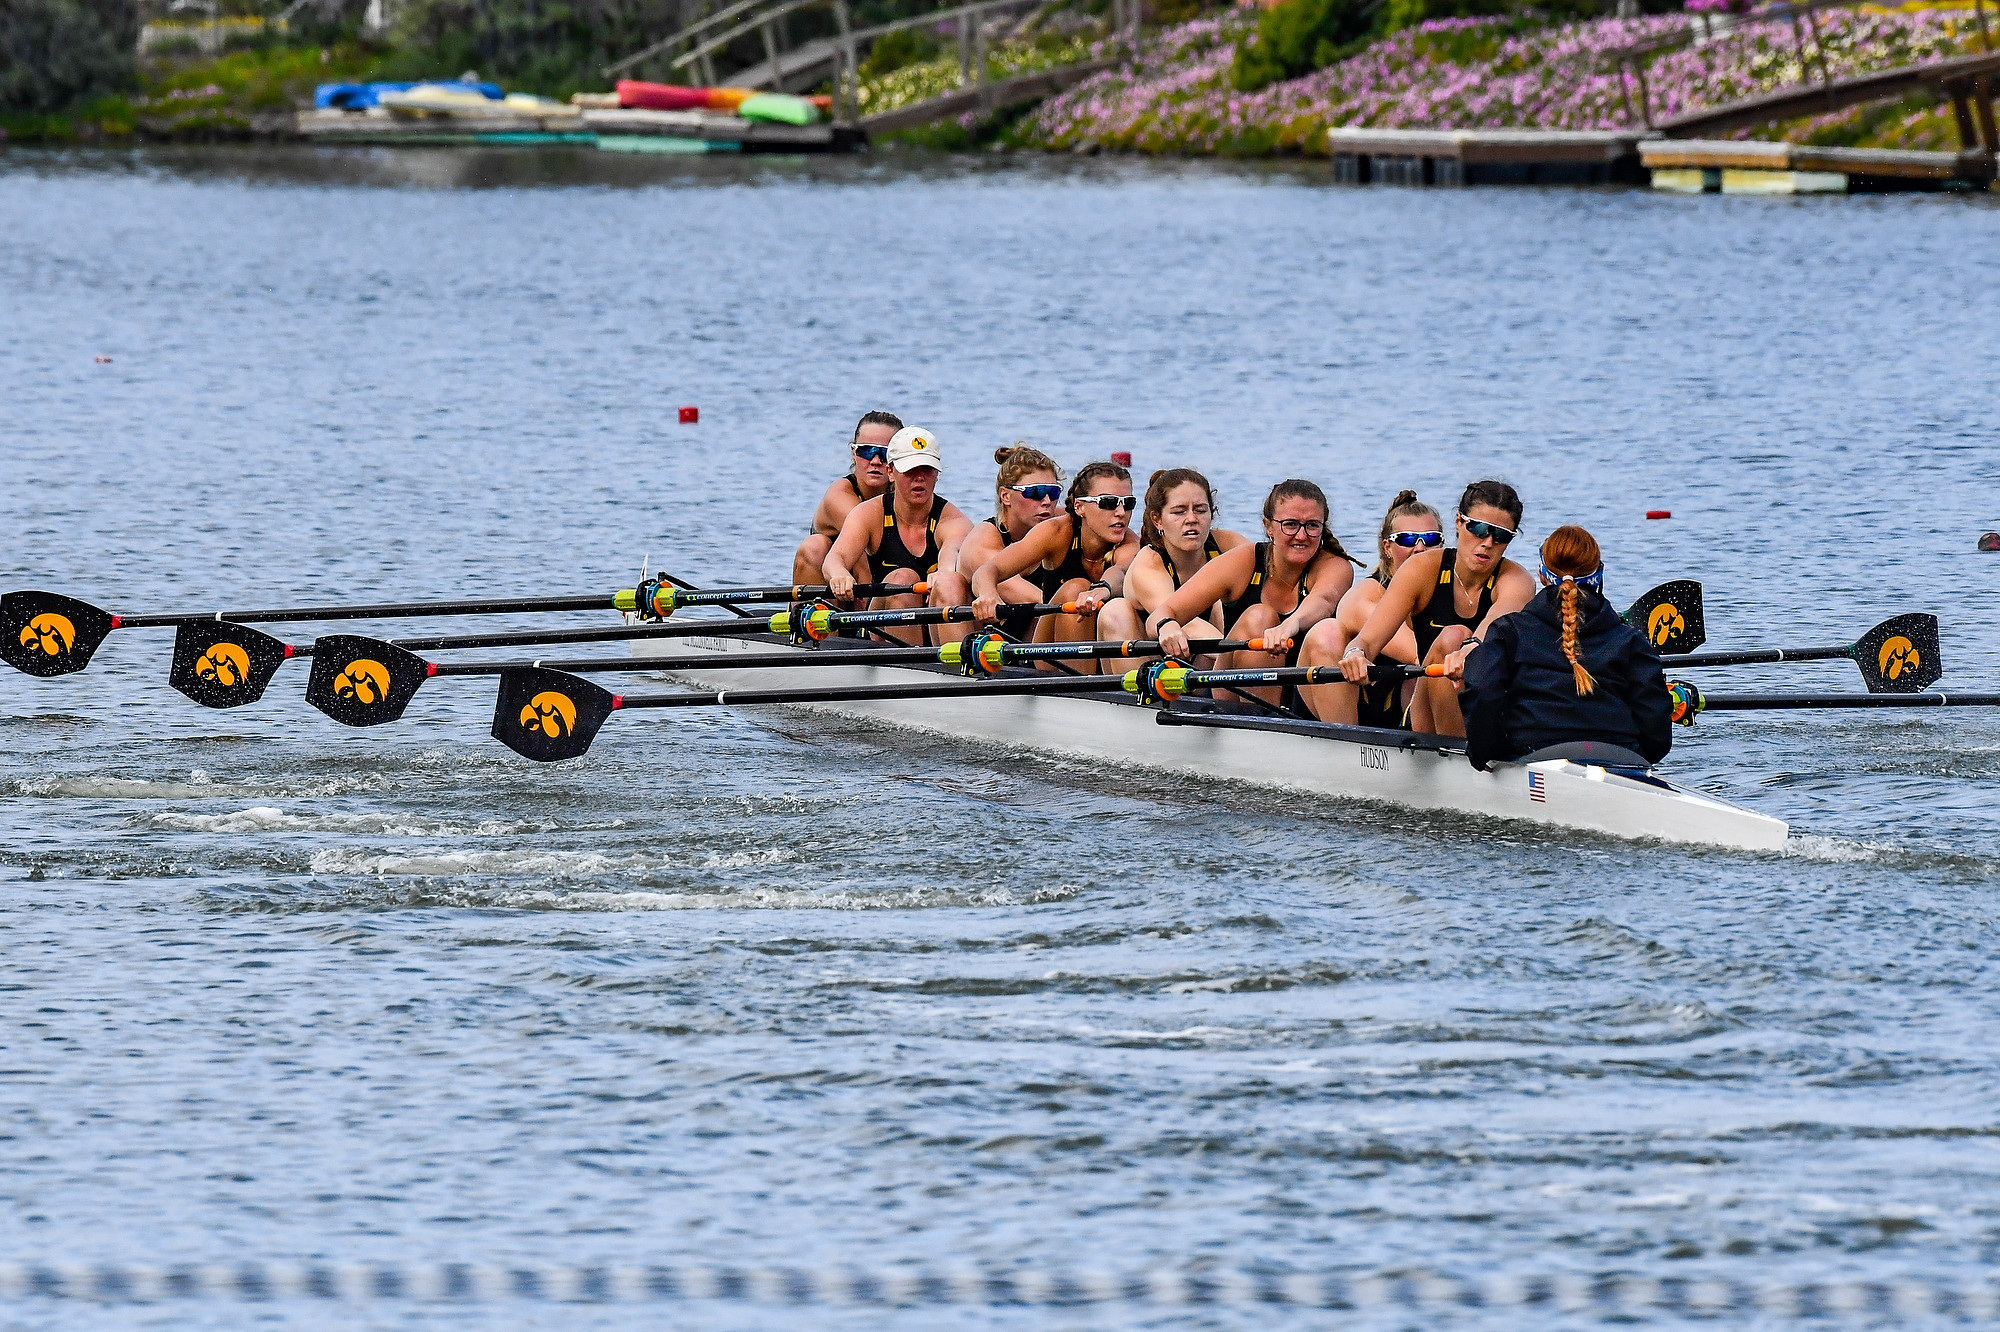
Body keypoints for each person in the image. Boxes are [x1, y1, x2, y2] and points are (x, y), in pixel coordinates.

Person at [1458, 524, 1673, 770]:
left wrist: (1484, 753)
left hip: (1532, 753)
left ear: (1541, 573)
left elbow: (1483, 690)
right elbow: (1655, 717)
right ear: (1599, 574)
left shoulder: (1509, 632)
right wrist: (1640, 756)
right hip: (1621, 756)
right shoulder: (1630, 640)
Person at [1335, 479, 1536, 736]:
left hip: (1490, 713)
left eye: (1500, 535)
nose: (1488, 542)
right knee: (1453, 636)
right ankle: (1455, 754)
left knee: (1462, 639)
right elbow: (1368, 640)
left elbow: (1497, 618)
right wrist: (1355, 653)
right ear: (1459, 523)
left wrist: (1473, 647)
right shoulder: (1422, 569)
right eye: (1479, 528)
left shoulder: (1517, 580)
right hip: (1425, 713)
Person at [1152, 479, 1358, 708]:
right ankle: (1261, 723)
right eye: (1290, 524)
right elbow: (1163, 613)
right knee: (1260, 617)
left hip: (1301, 694)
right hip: (1231, 696)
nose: (1301, 536)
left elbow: (1324, 600)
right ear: (1268, 526)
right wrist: (1167, 626)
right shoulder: (1242, 562)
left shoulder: (1336, 566)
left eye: (1312, 525)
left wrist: (1290, 625)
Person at [969, 460, 1141, 670]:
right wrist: (988, 595)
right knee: (1075, 587)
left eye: (1128, 503)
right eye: (1108, 503)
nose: (1121, 513)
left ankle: (1088, 690)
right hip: (1048, 651)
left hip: (1101, 652)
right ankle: (1078, 692)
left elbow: (1121, 570)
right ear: (1079, 507)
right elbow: (987, 571)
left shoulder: (1130, 542)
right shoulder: (1056, 533)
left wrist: (1102, 589)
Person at [1296, 489, 1442, 727]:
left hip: (1405, 703)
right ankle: (1344, 746)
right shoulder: (1367, 593)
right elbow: (1420, 656)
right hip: (1355, 704)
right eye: (1407, 539)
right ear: (1387, 547)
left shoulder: (1456, 593)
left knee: (1424, 678)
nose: (1420, 548)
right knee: (1328, 632)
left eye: (1431, 540)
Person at [823, 426, 973, 646]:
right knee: (903, 578)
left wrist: (945, 571)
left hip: (934, 626)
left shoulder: (953, 520)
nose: (919, 478)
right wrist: (839, 575)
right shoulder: (869, 514)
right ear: (891, 472)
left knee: (949, 582)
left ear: (937, 474)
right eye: (910, 470)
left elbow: (953, 550)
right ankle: (910, 667)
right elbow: (835, 559)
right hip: (881, 625)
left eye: (927, 469)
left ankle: (955, 669)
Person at [1097, 468, 1246, 675]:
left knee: (1224, 601)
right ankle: (1133, 700)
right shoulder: (1149, 564)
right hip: (1152, 665)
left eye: (1201, 510)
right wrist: (1243, 655)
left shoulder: (1231, 545)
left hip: (1204, 663)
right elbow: (1186, 623)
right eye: (1179, 511)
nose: (1192, 519)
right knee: (1115, 610)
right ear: (1157, 520)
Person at [925, 443, 1064, 647]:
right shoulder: (983, 542)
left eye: (1053, 492)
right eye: (1035, 492)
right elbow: (1031, 598)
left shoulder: (1062, 523)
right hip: (982, 641)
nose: (1046, 501)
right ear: (1005, 496)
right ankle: (957, 671)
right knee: (948, 583)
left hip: (1031, 636)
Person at [792, 411, 899, 589]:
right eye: (866, 451)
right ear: (854, 453)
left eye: (885, 453)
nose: (875, 461)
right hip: (833, 588)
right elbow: (872, 551)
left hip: (876, 583)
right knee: (817, 546)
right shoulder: (840, 494)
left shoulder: (911, 491)